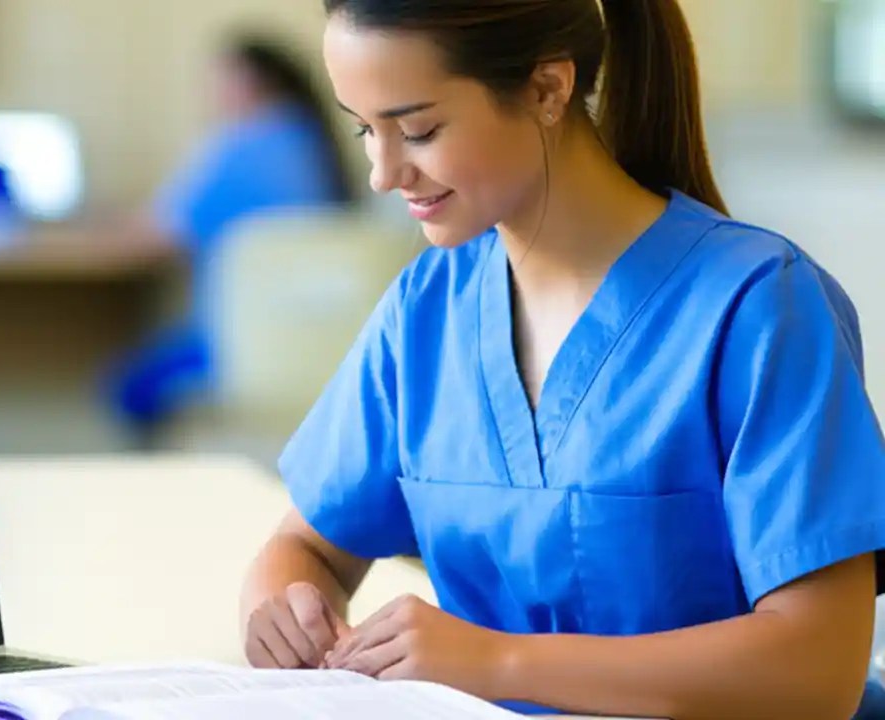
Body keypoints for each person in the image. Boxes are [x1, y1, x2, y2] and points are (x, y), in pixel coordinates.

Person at [240, 1, 885, 718]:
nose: (383, 174)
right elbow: (308, 545)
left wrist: (497, 661)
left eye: (418, 130)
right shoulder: (426, 309)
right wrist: (280, 604)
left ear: (548, 89)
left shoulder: (761, 308)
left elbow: (819, 669)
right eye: (367, 130)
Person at [106, 33, 356, 443]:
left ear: (248, 83)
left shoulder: (239, 148)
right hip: (324, 352)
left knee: (127, 385)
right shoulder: (316, 148)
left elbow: (154, 239)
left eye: (218, 80)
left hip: (236, 351)